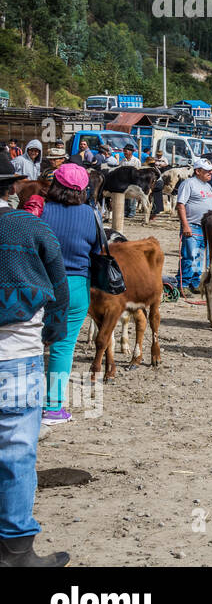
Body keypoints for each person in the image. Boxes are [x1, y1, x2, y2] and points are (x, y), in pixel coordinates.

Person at [0, 202, 71, 566]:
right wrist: (51, 335)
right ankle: (16, 553)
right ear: (12, 186)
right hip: (16, 356)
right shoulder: (29, 228)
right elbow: (60, 293)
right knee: (16, 453)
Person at [35, 164, 100, 427]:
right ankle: (52, 407)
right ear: (83, 190)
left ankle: (20, 401)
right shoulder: (91, 214)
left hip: (38, 282)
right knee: (63, 347)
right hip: (75, 286)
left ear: (55, 185)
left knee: (29, 343)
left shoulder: (40, 210)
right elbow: (97, 249)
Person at [176, 160, 212, 296]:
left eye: (211, 171)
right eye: (207, 171)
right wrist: (185, 225)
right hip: (192, 226)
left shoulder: (208, 186)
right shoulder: (188, 184)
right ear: (198, 171)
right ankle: (183, 284)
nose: (210, 173)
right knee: (189, 256)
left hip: (206, 228)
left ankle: (195, 283)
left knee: (201, 257)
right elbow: (180, 205)